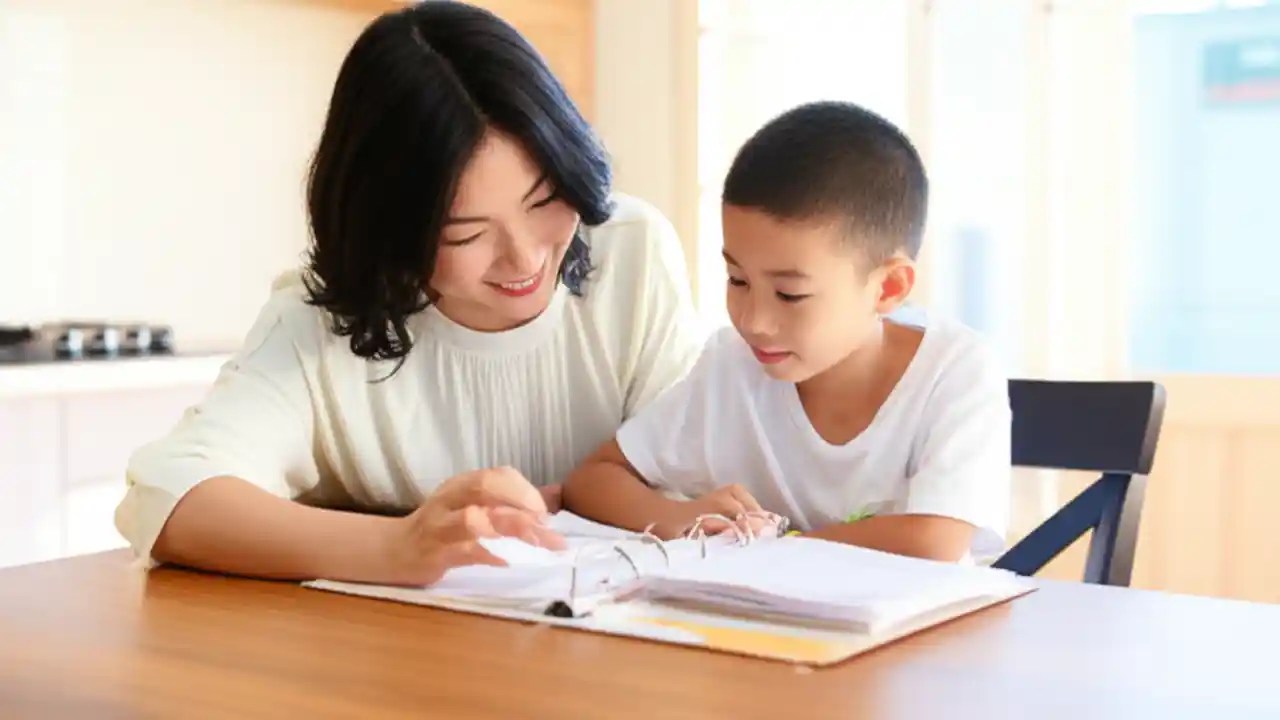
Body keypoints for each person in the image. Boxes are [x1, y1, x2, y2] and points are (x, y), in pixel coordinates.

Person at [114, 1, 702, 586]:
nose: (524, 257)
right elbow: (169, 498)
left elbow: (689, 471)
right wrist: (397, 544)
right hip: (394, 662)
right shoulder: (319, 321)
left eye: (545, 200)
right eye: (466, 232)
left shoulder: (629, 252)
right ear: (387, 228)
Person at [562, 101, 1011, 562]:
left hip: (920, 633)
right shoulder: (732, 366)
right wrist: (681, 519)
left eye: (790, 295)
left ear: (888, 287)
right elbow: (594, 479)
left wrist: (762, 548)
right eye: (738, 280)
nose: (754, 321)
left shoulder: (956, 370)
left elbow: (933, 542)